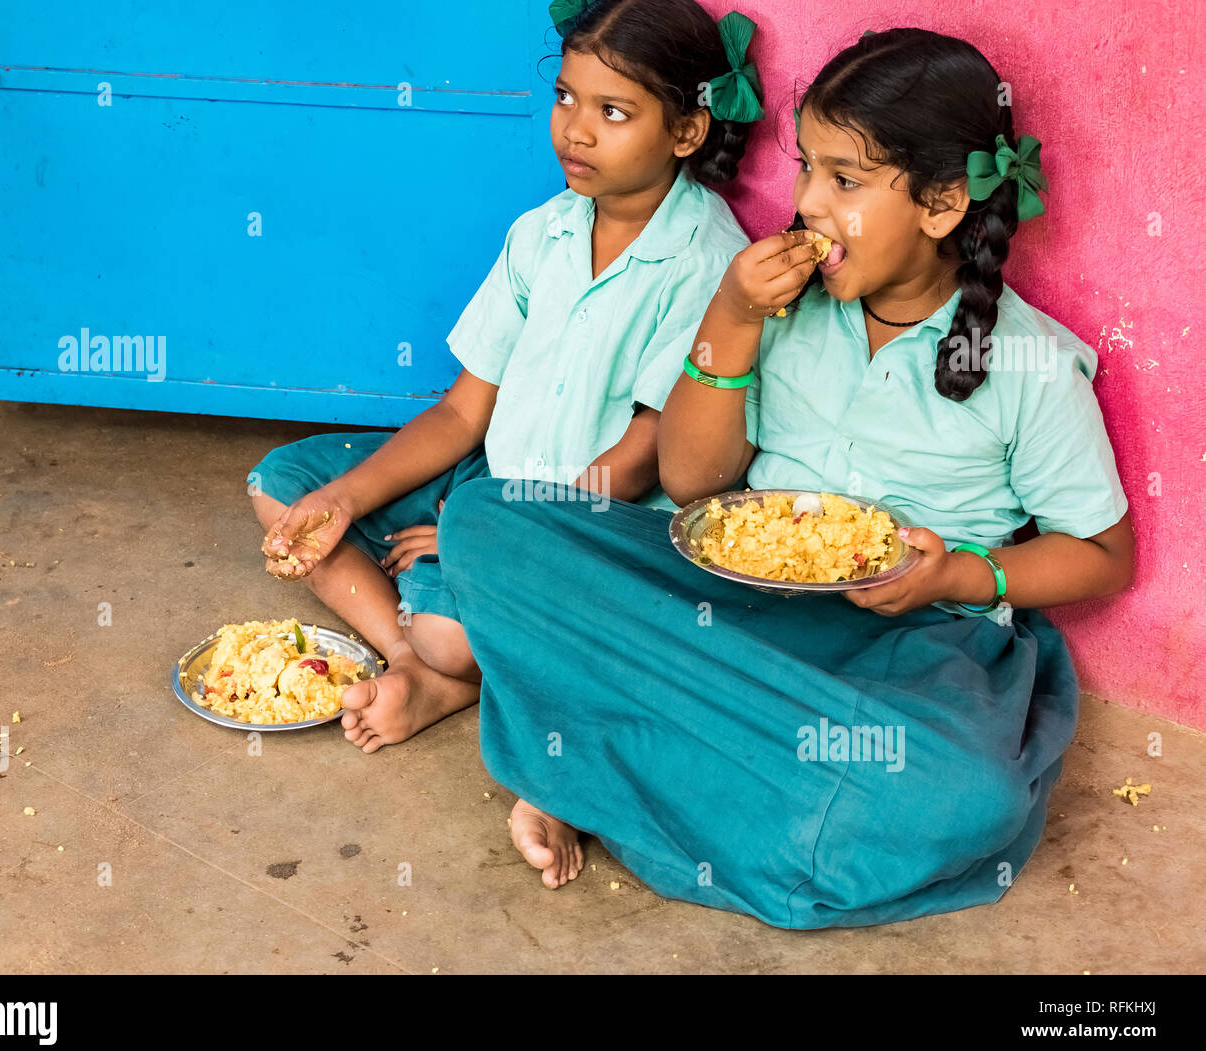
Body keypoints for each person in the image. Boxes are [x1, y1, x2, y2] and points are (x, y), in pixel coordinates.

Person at [436, 27, 1135, 927]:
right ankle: (657, 766)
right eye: (805, 168)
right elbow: (692, 482)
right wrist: (728, 316)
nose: (805, 202)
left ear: (943, 202)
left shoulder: (1026, 364)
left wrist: (963, 573)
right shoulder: (781, 309)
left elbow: (1104, 553)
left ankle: (593, 762)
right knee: (495, 519)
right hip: (727, 603)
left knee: (960, 792)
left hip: (906, 649)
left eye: (844, 181)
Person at [249, 0, 764, 753]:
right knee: (283, 487)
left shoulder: (705, 260)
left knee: (448, 635)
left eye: (613, 111)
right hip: (494, 475)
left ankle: (443, 666)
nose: (575, 130)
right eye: (565, 98)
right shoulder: (543, 231)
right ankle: (407, 663)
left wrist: (479, 531)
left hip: (594, 518)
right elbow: (463, 414)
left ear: (686, 129)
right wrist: (343, 497)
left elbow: (646, 449)